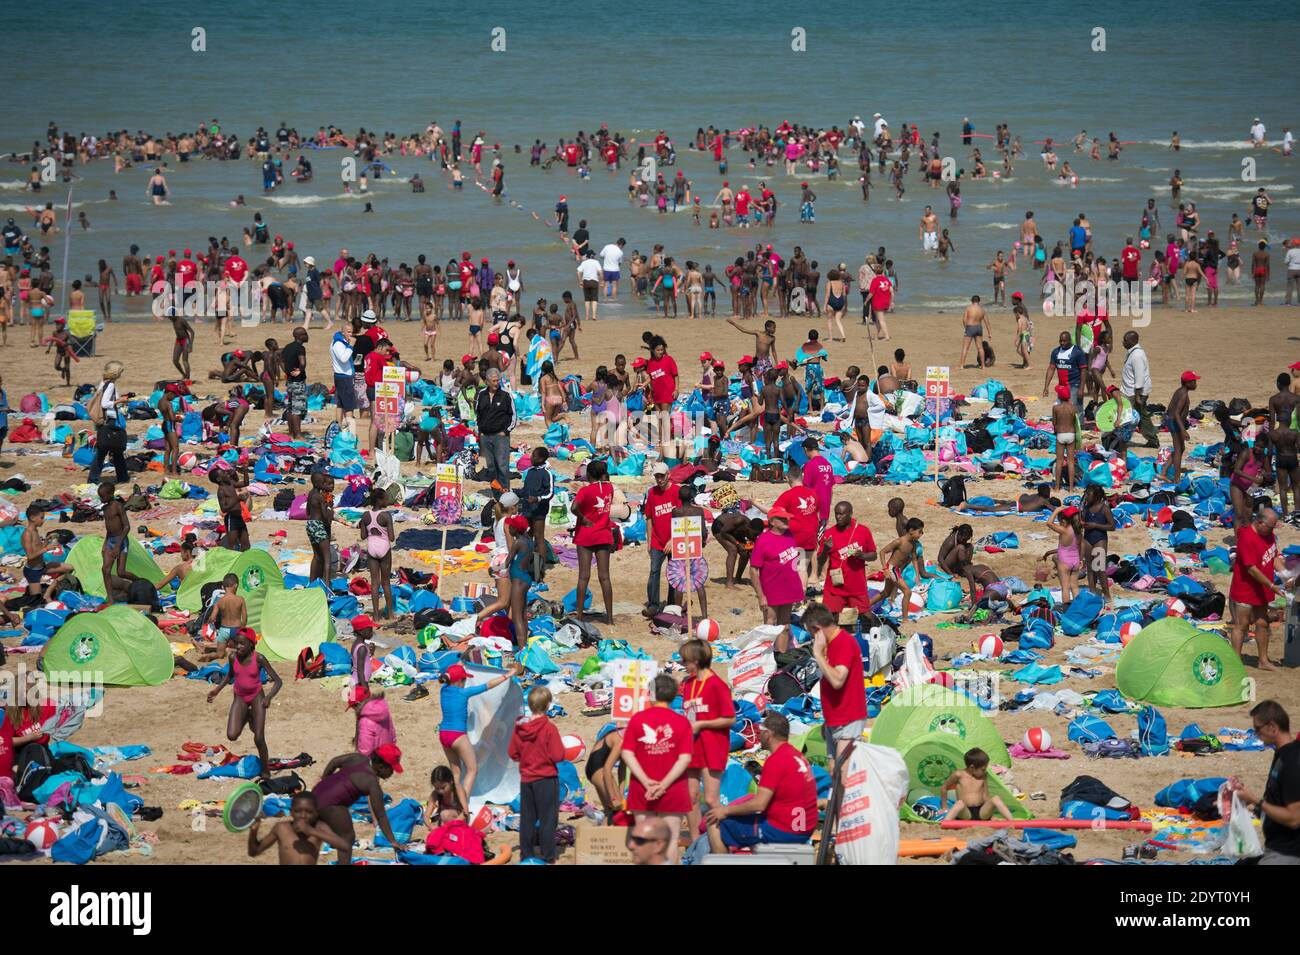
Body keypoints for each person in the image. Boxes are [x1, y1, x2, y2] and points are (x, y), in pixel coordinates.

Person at [705, 712, 818, 853]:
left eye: (760, 731)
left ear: (768, 734)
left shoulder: (776, 760)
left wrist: (724, 810)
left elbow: (759, 804)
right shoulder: (798, 756)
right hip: (805, 827)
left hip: (783, 830)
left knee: (716, 823)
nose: (758, 735)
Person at [622, 673, 692, 865]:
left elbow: (627, 754)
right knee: (671, 840)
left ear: (651, 694)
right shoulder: (682, 722)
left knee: (644, 843)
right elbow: (684, 759)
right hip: (674, 788)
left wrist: (646, 782)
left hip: (642, 788)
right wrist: (663, 785)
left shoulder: (637, 719)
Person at [438, 662, 518, 810]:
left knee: (456, 772)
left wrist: (459, 664)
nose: (466, 683)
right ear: (459, 681)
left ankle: (450, 802)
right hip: (458, 736)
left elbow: (448, 676)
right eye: (465, 680)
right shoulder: (463, 693)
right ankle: (462, 805)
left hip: (443, 734)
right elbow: (488, 685)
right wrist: (507, 675)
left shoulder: (443, 691)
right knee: (472, 770)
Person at [207, 627, 282, 776]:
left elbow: (278, 682)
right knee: (232, 735)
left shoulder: (259, 658)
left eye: (242, 644)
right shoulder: (233, 657)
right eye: (236, 643)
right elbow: (229, 676)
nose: (238, 647)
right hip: (240, 697)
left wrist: (268, 697)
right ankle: (248, 716)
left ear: (251, 644)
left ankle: (265, 769)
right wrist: (217, 690)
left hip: (256, 697)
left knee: (259, 737)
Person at [311, 746, 404, 864]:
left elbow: (335, 761)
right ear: (381, 766)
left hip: (317, 792)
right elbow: (380, 815)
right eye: (391, 769)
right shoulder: (371, 783)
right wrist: (393, 841)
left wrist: (325, 778)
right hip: (331, 805)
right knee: (347, 837)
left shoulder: (358, 758)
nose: (392, 773)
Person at [680, 639, 734, 840]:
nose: (683, 664)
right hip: (692, 746)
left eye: (686, 660)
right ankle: (695, 841)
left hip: (712, 746)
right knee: (690, 797)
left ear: (696, 660)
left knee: (711, 799)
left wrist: (702, 725)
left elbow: (730, 718)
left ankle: (719, 841)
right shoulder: (689, 684)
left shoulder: (717, 685)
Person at [1234, 700, 1300, 864]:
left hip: (1289, 852)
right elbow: (1276, 804)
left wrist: (1255, 800)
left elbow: (1294, 818)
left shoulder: (1292, 761)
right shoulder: (1282, 754)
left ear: (1272, 727)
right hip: (1276, 846)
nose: (1255, 734)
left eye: (1257, 729)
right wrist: (1247, 802)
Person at [804, 601, 867, 772]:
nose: (812, 640)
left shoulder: (844, 643)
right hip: (835, 720)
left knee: (844, 774)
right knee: (834, 771)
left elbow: (838, 680)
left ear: (817, 629)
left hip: (848, 719)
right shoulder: (831, 645)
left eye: (812, 634)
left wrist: (817, 654)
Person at [508, 685, 565, 864]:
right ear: (548, 706)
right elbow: (558, 755)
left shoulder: (520, 727)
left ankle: (526, 854)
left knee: (528, 819)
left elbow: (512, 753)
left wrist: (527, 759)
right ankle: (548, 856)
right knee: (548, 819)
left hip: (526, 778)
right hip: (546, 778)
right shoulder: (549, 728)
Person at [1230, 506, 1281, 670]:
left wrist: (1288, 574)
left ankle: (1263, 661)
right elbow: (1251, 568)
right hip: (1245, 588)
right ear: (1259, 522)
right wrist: (1272, 585)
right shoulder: (1246, 537)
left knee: (1262, 622)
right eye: (1270, 527)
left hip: (1262, 587)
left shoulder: (1268, 534)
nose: (1272, 530)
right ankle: (1236, 661)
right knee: (1242, 625)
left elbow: (1274, 558)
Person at [749, 507, 805, 654]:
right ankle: (768, 657)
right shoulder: (763, 540)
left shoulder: (790, 535)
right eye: (782, 518)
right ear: (772, 522)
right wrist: (761, 596)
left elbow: (795, 562)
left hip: (789, 588)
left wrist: (799, 587)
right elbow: (753, 570)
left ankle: (781, 657)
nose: (787, 520)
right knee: (770, 625)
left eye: (787, 518)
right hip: (771, 590)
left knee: (785, 625)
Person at [571, 457, 616, 625]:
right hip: (603, 534)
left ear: (589, 475)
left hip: (586, 534)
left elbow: (574, 508)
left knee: (584, 576)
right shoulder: (609, 488)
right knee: (605, 577)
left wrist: (583, 519)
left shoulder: (585, 491)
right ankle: (610, 618)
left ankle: (580, 616)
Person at [247, 792, 350, 865]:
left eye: (309, 812)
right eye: (297, 811)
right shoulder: (282, 828)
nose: (303, 816)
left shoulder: (319, 827)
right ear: (291, 812)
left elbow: (345, 846)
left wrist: (312, 831)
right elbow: (254, 852)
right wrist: (253, 831)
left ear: (316, 813)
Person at [642, 462, 679, 617]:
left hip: (674, 539)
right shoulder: (652, 493)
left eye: (662, 476)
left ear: (668, 475)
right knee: (654, 571)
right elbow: (649, 517)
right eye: (657, 476)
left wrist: (673, 539)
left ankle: (671, 603)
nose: (659, 479)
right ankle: (653, 605)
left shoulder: (677, 491)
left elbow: (681, 516)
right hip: (657, 540)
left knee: (673, 573)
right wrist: (649, 540)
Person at [940, 747, 1012, 821]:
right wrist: (944, 807)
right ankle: (945, 822)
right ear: (972, 767)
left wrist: (990, 814)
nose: (985, 771)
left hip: (981, 811)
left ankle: (1012, 821)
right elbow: (944, 787)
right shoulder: (959, 775)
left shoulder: (983, 776)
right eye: (983, 769)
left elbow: (985, 795)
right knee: (959, 803)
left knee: (996, 798)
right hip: (966, 812)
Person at [876, 517, 929, 617]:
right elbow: (882, 552)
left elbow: (914, 559)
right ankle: (905, 619)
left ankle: (865, 607)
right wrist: (885, 569)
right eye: (920, 531)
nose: (922, 534)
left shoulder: (913, 544)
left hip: (896, 570)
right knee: (907, 592)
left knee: (886, 593)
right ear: (911, 531)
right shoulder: (899, 541)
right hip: (891, 569)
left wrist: (917, 575)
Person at [89, 360, 130, 485]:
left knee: (115, 449)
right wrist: (119, 401)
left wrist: (120, 398)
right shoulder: (110, 385)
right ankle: (93, 478)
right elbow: (105, 403)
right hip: (110, 420)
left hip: (105, 420)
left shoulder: (103, 383)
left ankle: (123, 477)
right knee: (104, 450)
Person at [475, 367, 516, 490]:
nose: (496, 383)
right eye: (493, 381)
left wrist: (505, 431)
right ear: (487, 381)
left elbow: (513, 415)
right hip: (485, 436)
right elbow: (478, 414)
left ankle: (505, 494)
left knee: (502, 466)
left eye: (497, 380)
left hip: (500, 436)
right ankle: (496, 494)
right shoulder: (481, 394)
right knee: (491, 467)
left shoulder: (506, 395)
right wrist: (480, 432)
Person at [98, 482, 139, 604]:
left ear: (110, 494)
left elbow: (126, 527)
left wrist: (117, 545)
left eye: (103, 496)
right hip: (110, 540)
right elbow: (109, 529)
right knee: (105, 570)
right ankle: (110, 598)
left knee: (121, 572)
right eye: (100, 496)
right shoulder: (105, 509)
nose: (101, 499)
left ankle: (139, 582)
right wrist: (105, 544)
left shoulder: (118, 506)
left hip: (121, 540)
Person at [1120, 331, 1160, 448]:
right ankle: (1151, 438)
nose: (1123, 342)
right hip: (1131, 392)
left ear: (1132, 341)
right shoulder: (1132, 353)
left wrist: (1138, 397)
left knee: (1141, 417)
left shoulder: (1137, 355)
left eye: (1125, 340)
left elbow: (1139, 378)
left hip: (1136, 393)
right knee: (1138, 417)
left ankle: (1153, 439)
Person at [359, 487, 394, 619]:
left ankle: (376, 616)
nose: (387, 500)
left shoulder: (365, 515)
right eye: (385, 498)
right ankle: (390, 614)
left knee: (374, 583)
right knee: (386, 583)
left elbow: (363, 536)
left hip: (372, 548)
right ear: (380, 501)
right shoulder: (386, 515)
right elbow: (391, 537)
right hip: (384, 548)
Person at [1080, 485, 1114, 604]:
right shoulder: (1086, 507)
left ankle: (1106, 593)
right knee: (1090, 568)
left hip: (1100, 539)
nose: (1086, 497)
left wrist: (1095, 525)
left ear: (1096, 497)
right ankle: (1092, 592)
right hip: (1087, 538)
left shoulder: (1104, 509)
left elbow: (1112, 526)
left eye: (1088, 495)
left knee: (1099, 568)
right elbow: (1082, 521)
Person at [1163, 370, 1198, 482]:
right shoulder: (1183, 394)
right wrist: (1183, 430)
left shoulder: (1180, 391)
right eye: (1193, 381)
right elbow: (1177, 413)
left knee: (1180, 448)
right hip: (1175, 422)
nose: (1195, 384)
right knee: (1178, 450)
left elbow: (1170, 408)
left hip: (1172, 421)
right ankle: (1176, 478)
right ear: (1187, 383)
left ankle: (1164, 472)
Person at [1231, 441, 1273, 531]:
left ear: (1265, 448)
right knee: (1238, 514)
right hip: (1237, 484)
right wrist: (1253, 478)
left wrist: (1264, 474)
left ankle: (1248, 537)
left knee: (1248, 514)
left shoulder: (1263, 457)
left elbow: (1269, 472)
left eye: (1261, 447)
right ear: (1254, 443)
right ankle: (1238, 540)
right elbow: (1236, 470)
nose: (1258, 449)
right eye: (1257, 446)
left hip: (1252, 487)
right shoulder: (1246, 453)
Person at [1047, 505, 1084, 604]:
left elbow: (1049, 523)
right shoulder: (1079, 532)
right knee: (1075, 587)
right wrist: (1081, 560)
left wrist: (1056, 511)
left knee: (1065, 588)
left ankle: (1066, 610)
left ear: (1065, 520)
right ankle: (1078, 608)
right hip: (1076, 561)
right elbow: (1081, 547)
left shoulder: (1064, 531)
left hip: (1064, 561)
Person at [1043, 331, 1086, 409]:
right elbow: (1051, 368)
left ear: (1070, 340)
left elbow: (1083, 370)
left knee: (1075, 410)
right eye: (1061, 341)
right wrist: (1046, 387)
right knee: (1058, 408)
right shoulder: (1056, 352)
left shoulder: (1077, 352)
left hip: (1074, 386)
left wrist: (1081, 388)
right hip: (1062, 387)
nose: (1062, 343)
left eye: (1064, 341)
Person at [305, 472, 335, 583]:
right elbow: (326, 519)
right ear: (318, 483)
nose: (325, 485)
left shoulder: (310, 494)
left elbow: (307, 511)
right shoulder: (320, 497)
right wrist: (330, 507)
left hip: (310, 524)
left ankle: (311, 582)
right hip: (318, 525)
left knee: (317, 556)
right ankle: (327, 586)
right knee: (327, 557)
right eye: (323, 482)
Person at [281, 327, 308, 440]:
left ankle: (291, 432)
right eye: (305, 334)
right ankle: (297, 434)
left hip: (290, 381)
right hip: (298, 381)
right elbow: (302, 362)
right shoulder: (300, 348)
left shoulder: (287, 347)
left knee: (291, 407)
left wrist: (287, 372)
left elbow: (281, 360)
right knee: (297, 408)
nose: (307, 336)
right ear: (300, 336)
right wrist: (299, 370)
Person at [1051, 384, 1078, 491]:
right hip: (1071, 434)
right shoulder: (1073, 408)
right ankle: (1071, 488)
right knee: (1071, 462)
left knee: (1059, 461)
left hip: (1060, 434)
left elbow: (1054, 423)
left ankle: (1057, 487)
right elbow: (1076, 423)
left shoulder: (1056, 408)